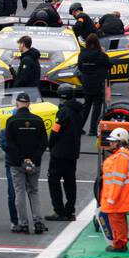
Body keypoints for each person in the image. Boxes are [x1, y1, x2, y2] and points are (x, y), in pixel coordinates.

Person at [4, 93, 47, 235]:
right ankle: (38, 221)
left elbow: (10, 144)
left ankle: (23, 223)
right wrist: (32, 159)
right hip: (35, 162)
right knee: (34, 191)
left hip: (17, 163)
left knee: (19, 192)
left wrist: (22, 159)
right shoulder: (38, 121)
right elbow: (43, 143)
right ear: (29, 104)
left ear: (17, 103)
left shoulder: (11, 121)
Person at [99, 127, 129, 253]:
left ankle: (119, 244)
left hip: (117, 197)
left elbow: (117, 181)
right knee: (119, 221)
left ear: (121, 142)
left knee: (117, 221)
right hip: (120, 196)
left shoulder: (120, 158)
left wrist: (111, 198)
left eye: (113, 141)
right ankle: (121, 243)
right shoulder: (122, 156)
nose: (110, 143)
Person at [45, 84, 83, 222]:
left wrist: (50, 144)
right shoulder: (79, 111)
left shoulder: (62, 112)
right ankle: (70, 210)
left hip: (59, 152)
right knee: (70, 181)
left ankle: (59, 211)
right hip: (73, 152)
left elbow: (55, 131)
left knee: (53, 181)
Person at [76, 33, 111, 136]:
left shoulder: (82, 54)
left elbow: (80, 67)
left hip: (86, 82)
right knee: (97, 106)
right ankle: (92, 129)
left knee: (86, 105)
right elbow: (109, 65)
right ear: (97, 43)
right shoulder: (101, 55)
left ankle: (79, 127)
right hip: (98, 82)